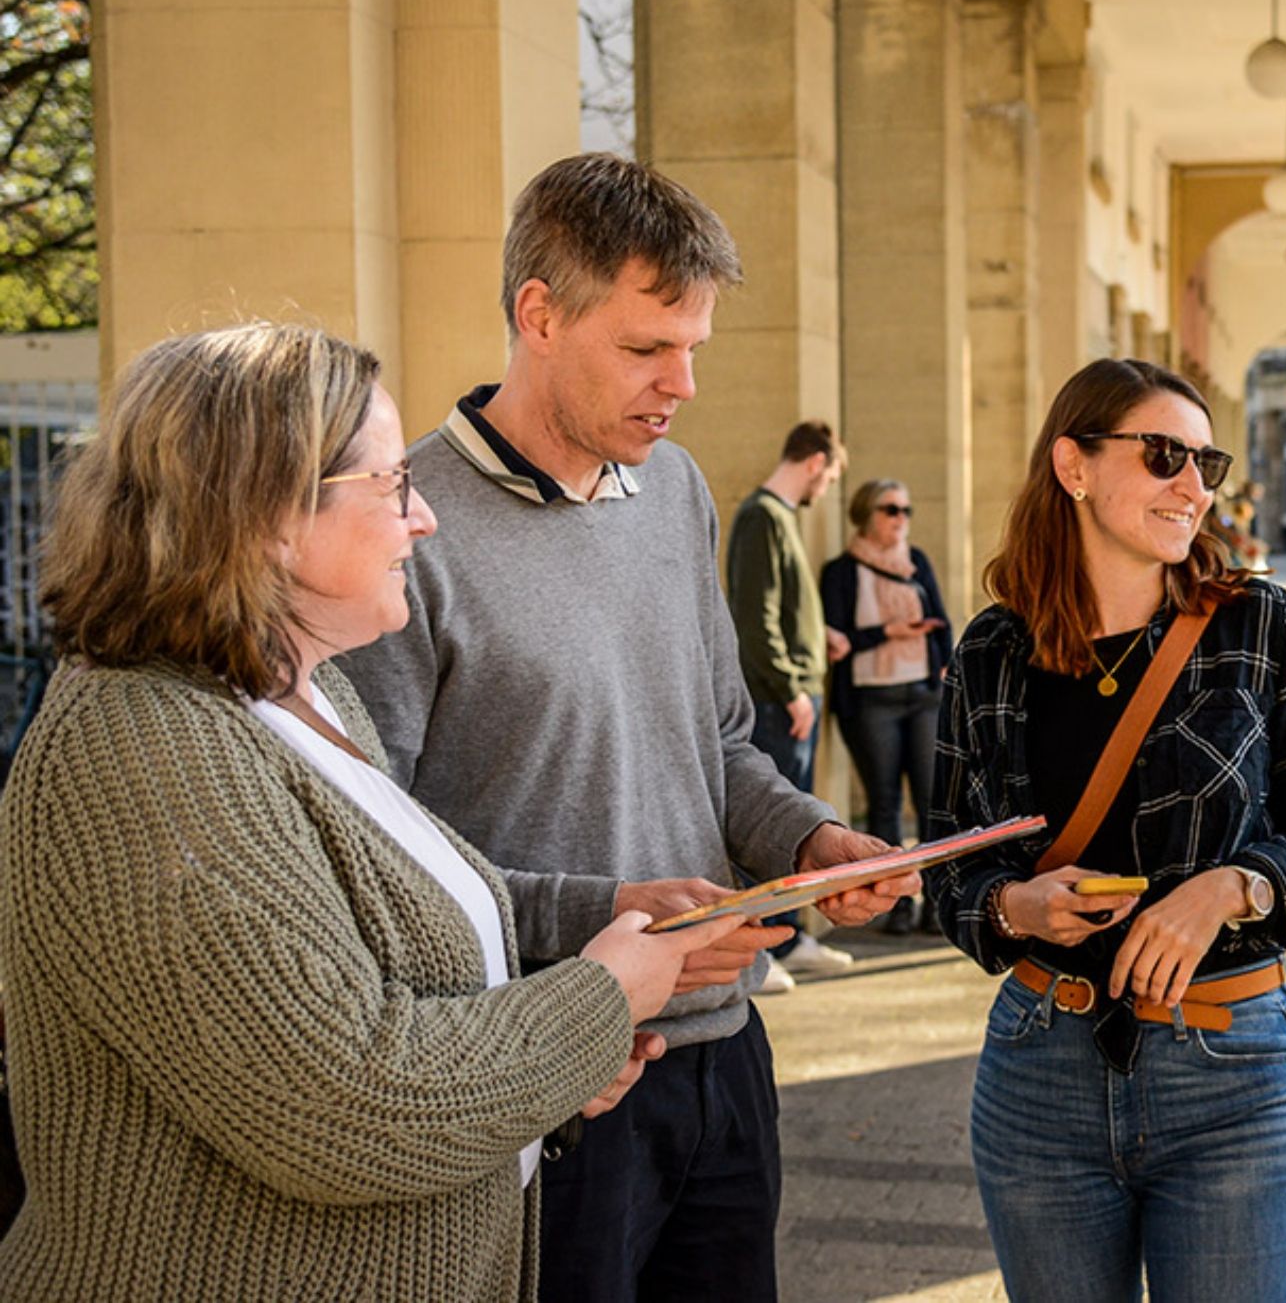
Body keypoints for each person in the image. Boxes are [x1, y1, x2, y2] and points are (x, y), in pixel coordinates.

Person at [0, 323, 743, 1299]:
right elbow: (342, 1103)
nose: (425, 517)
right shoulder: (141, 745)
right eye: (394, 483)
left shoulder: (300, 691)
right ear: (267, 510)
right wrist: (596, 999)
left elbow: (381, 989)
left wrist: (547, 1078)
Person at [338, 154, 915, 1302]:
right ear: (538, 315)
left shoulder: (678, 490)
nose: (682, 383)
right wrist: (599, 916)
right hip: (555, 1081)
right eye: (648, 348)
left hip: (725, 1058)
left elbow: (717, 746)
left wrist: (807, 843)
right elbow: (373, 856)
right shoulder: (402, 526)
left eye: (693, 346)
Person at [924, 357, 1286, 1301]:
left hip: (1230, 1069)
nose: (1193, 487)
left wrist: (1230, 887)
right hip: (1040, 1068)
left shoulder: (1259, 624)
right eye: (1165, 455)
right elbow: (948, 865)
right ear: (1073, 466)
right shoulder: (992, 651)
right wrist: (1015, 906)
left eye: (1210, 463)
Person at [727, 420, 855, 985]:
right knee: (775, 824)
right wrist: (789, 688)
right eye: (826, 477)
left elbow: (781, 610)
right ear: (813, 463)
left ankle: (791, 936)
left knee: (798, 818)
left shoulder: (779, 519)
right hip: (782, 699)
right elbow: (754, 620)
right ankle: (768, 947)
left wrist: (818, 636)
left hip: (799, 690)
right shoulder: (762, 517)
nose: (823, 489)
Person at [821, 477, 952, 933]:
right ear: (865, 514)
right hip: (872, 698)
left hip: (922, 695)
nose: (900, 519)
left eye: (905, 510)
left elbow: (941, 623)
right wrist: (887, 634)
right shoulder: (841, 571)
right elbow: (836, 637)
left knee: (932, 801)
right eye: (890, 509)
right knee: (884, 805)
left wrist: (945, 667)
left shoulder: (916, 561)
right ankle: (895, 905)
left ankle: (937, 903)